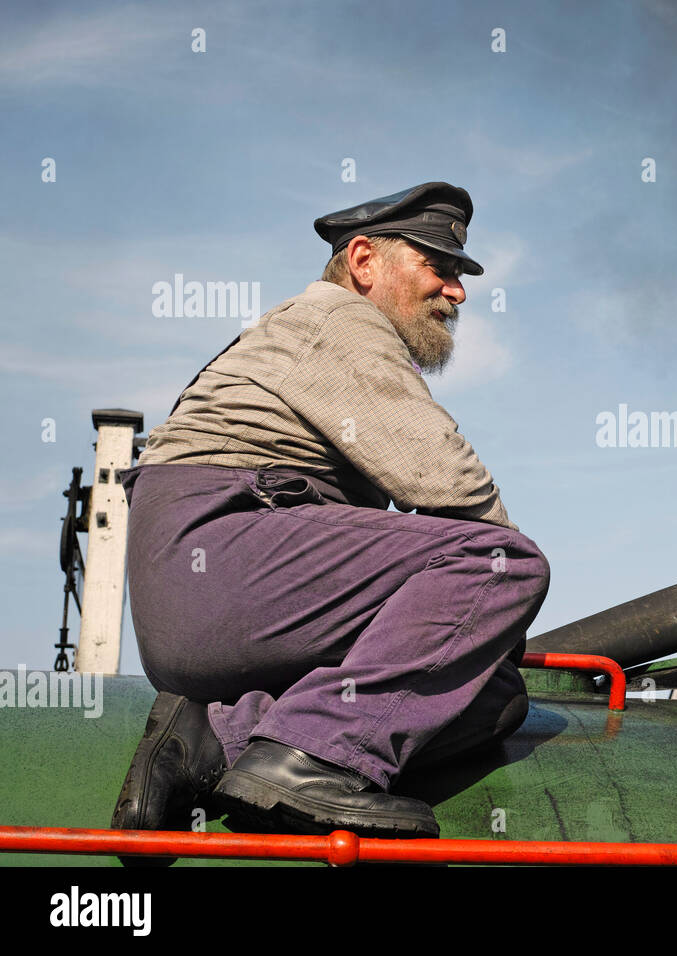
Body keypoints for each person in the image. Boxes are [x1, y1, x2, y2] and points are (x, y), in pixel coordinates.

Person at [111, 182, 549, 844]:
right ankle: (307, 762)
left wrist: (478, 646)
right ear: (365, 260)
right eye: (441, 266)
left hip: (208, 594)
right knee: (501, 561)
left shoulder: (301, 331)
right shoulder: (339, 321)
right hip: (216, 553)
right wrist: (498, 608)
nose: (457, 291)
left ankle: (211, 742)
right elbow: (446, 482)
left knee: (495, 698)